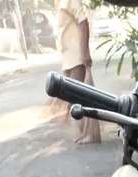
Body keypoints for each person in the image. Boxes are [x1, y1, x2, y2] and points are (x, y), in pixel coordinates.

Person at [55, 0, 101, 144]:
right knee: (75, 99)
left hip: (76, 57)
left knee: (81, 98)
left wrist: (85, 53)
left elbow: (83, 23)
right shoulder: (61, 2)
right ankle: (86, 133)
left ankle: (91, 135)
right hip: (68, 58)